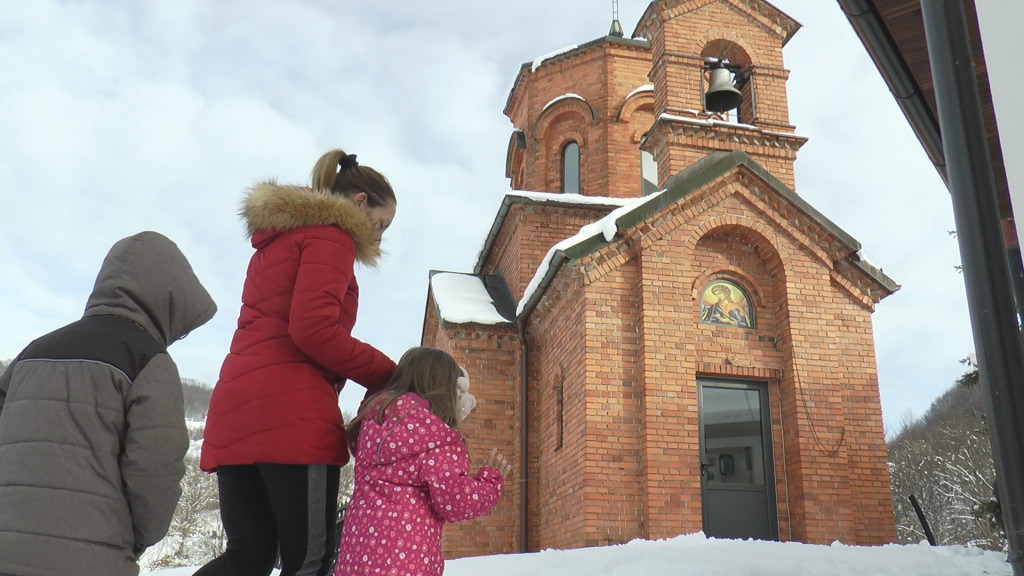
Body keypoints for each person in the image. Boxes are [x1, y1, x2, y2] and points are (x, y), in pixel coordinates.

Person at [196, 149, 399, 576]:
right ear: (360, 201)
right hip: (292, 417)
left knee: (249, 556)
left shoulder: (278, 241)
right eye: (381, 224)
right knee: (309, 562)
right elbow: (313, 330)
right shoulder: (332, 236)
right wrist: (390, 375)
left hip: (235, 412)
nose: (380, 237)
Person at [0, 231, 217, 576]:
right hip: (90, 560)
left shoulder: (31, 353)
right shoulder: (147, 359)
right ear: (168, 303)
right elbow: (156, 468)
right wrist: (132, 539)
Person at [335, 346, 511, 576]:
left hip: (356, 559)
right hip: (407, 562)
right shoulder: (435, 438)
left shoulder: (372, 424)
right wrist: (490, 481)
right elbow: (456, 502)